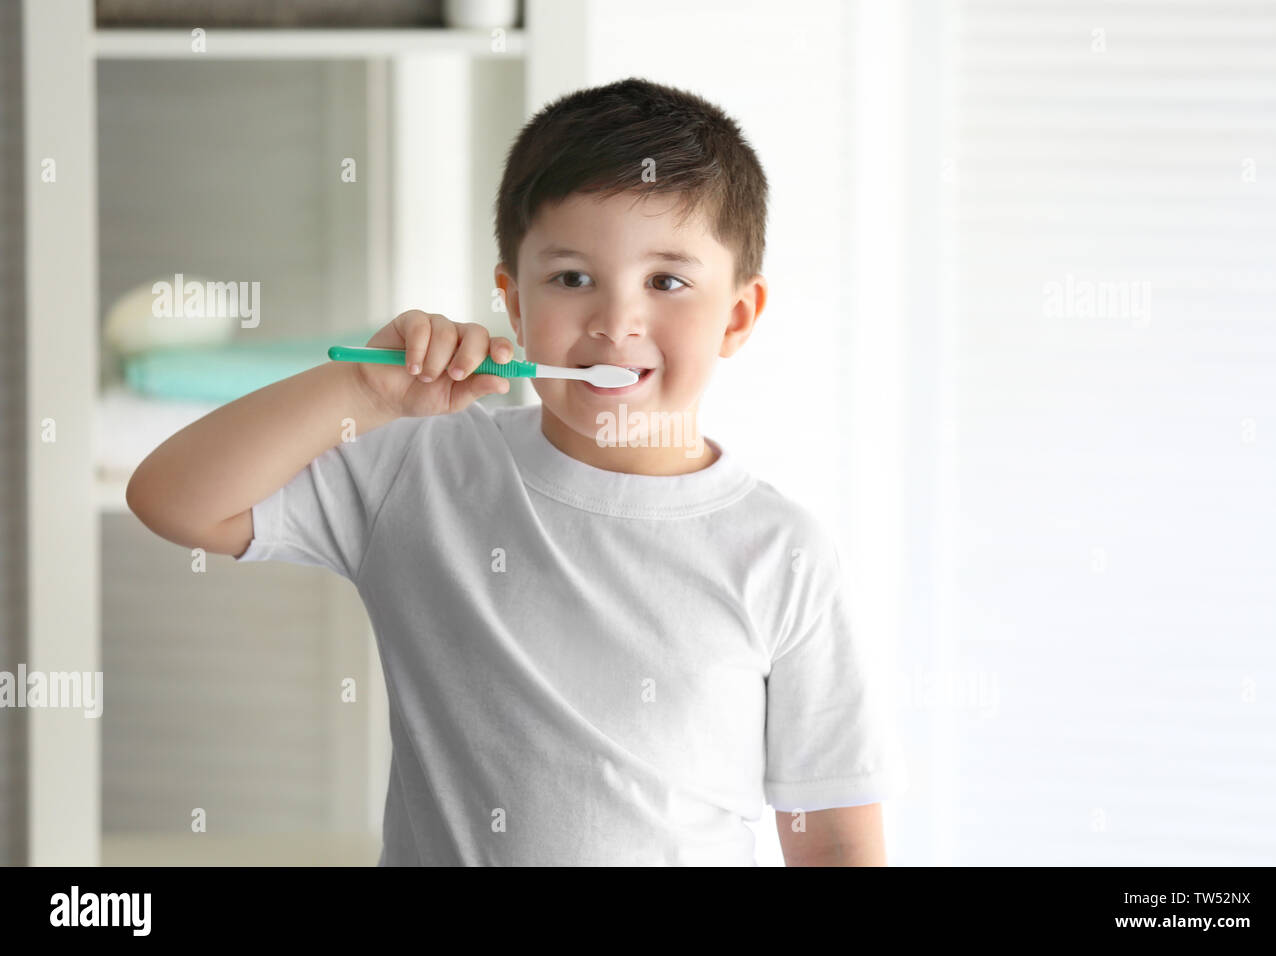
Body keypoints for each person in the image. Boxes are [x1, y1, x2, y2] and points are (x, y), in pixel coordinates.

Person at [127, 77, 908, 866]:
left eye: (666, 281)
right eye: (572, 278)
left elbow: (836, 838)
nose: (616, 322)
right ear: (514, 302)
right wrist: (363, 390)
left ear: (737, 316)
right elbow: (172, 499)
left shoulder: (782, 553)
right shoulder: (420, 465)